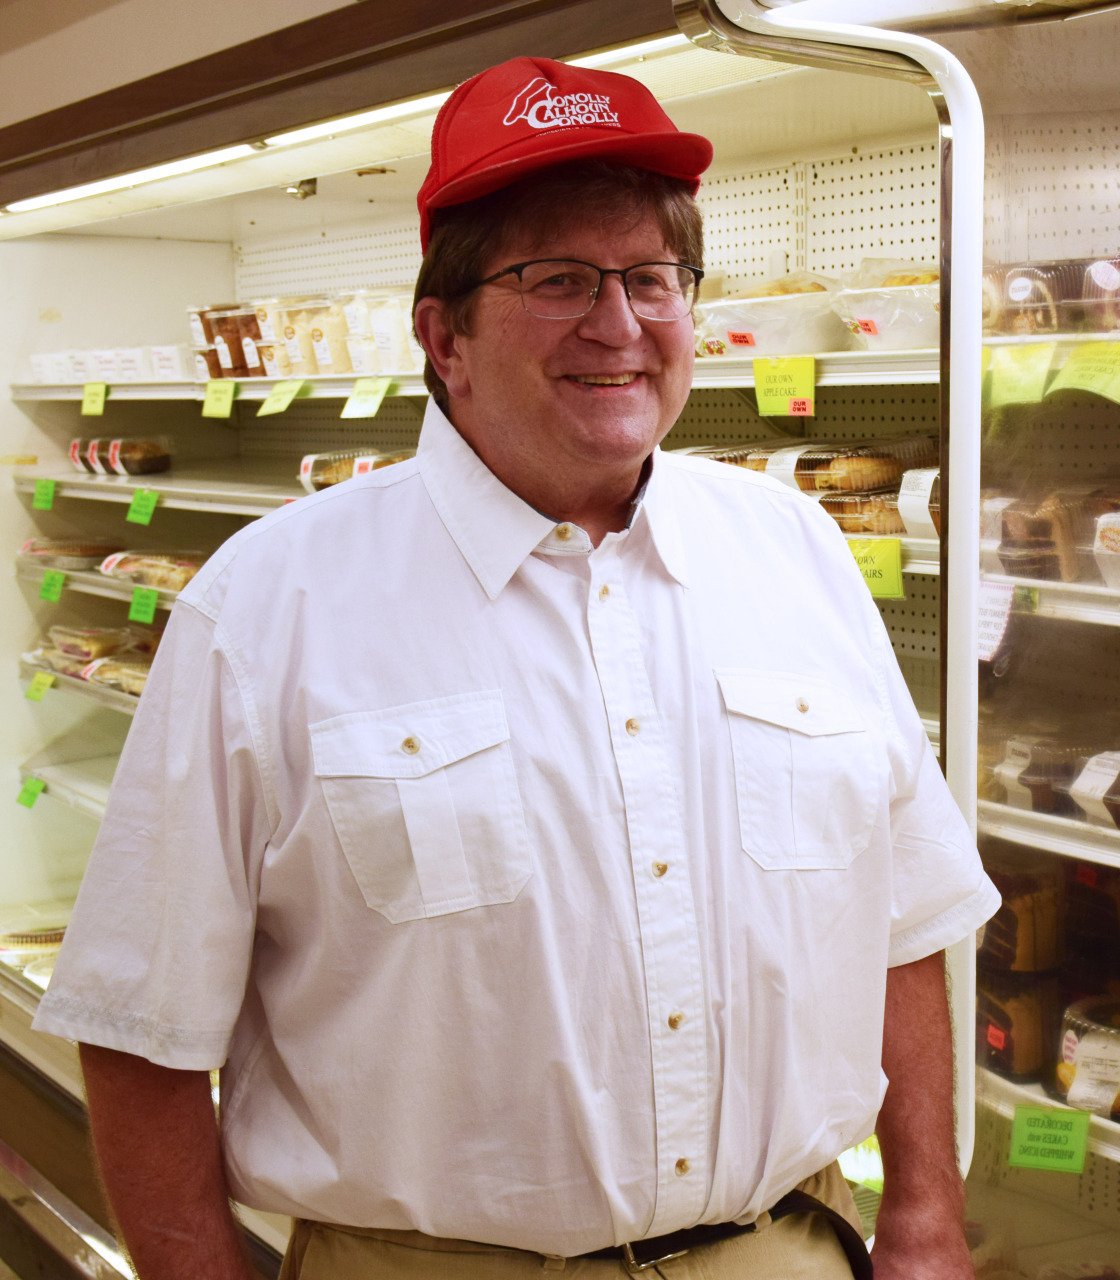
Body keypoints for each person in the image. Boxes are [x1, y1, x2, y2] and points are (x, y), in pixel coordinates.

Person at [34, 56, 997, 1280]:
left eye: (654, 278)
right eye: (558, 280)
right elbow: (138, 1030)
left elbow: (903, 921)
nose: (621, 323)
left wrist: (924, 1218)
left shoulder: (795, 548)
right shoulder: (269, 603)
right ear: (444, 333)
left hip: (786, 1249)